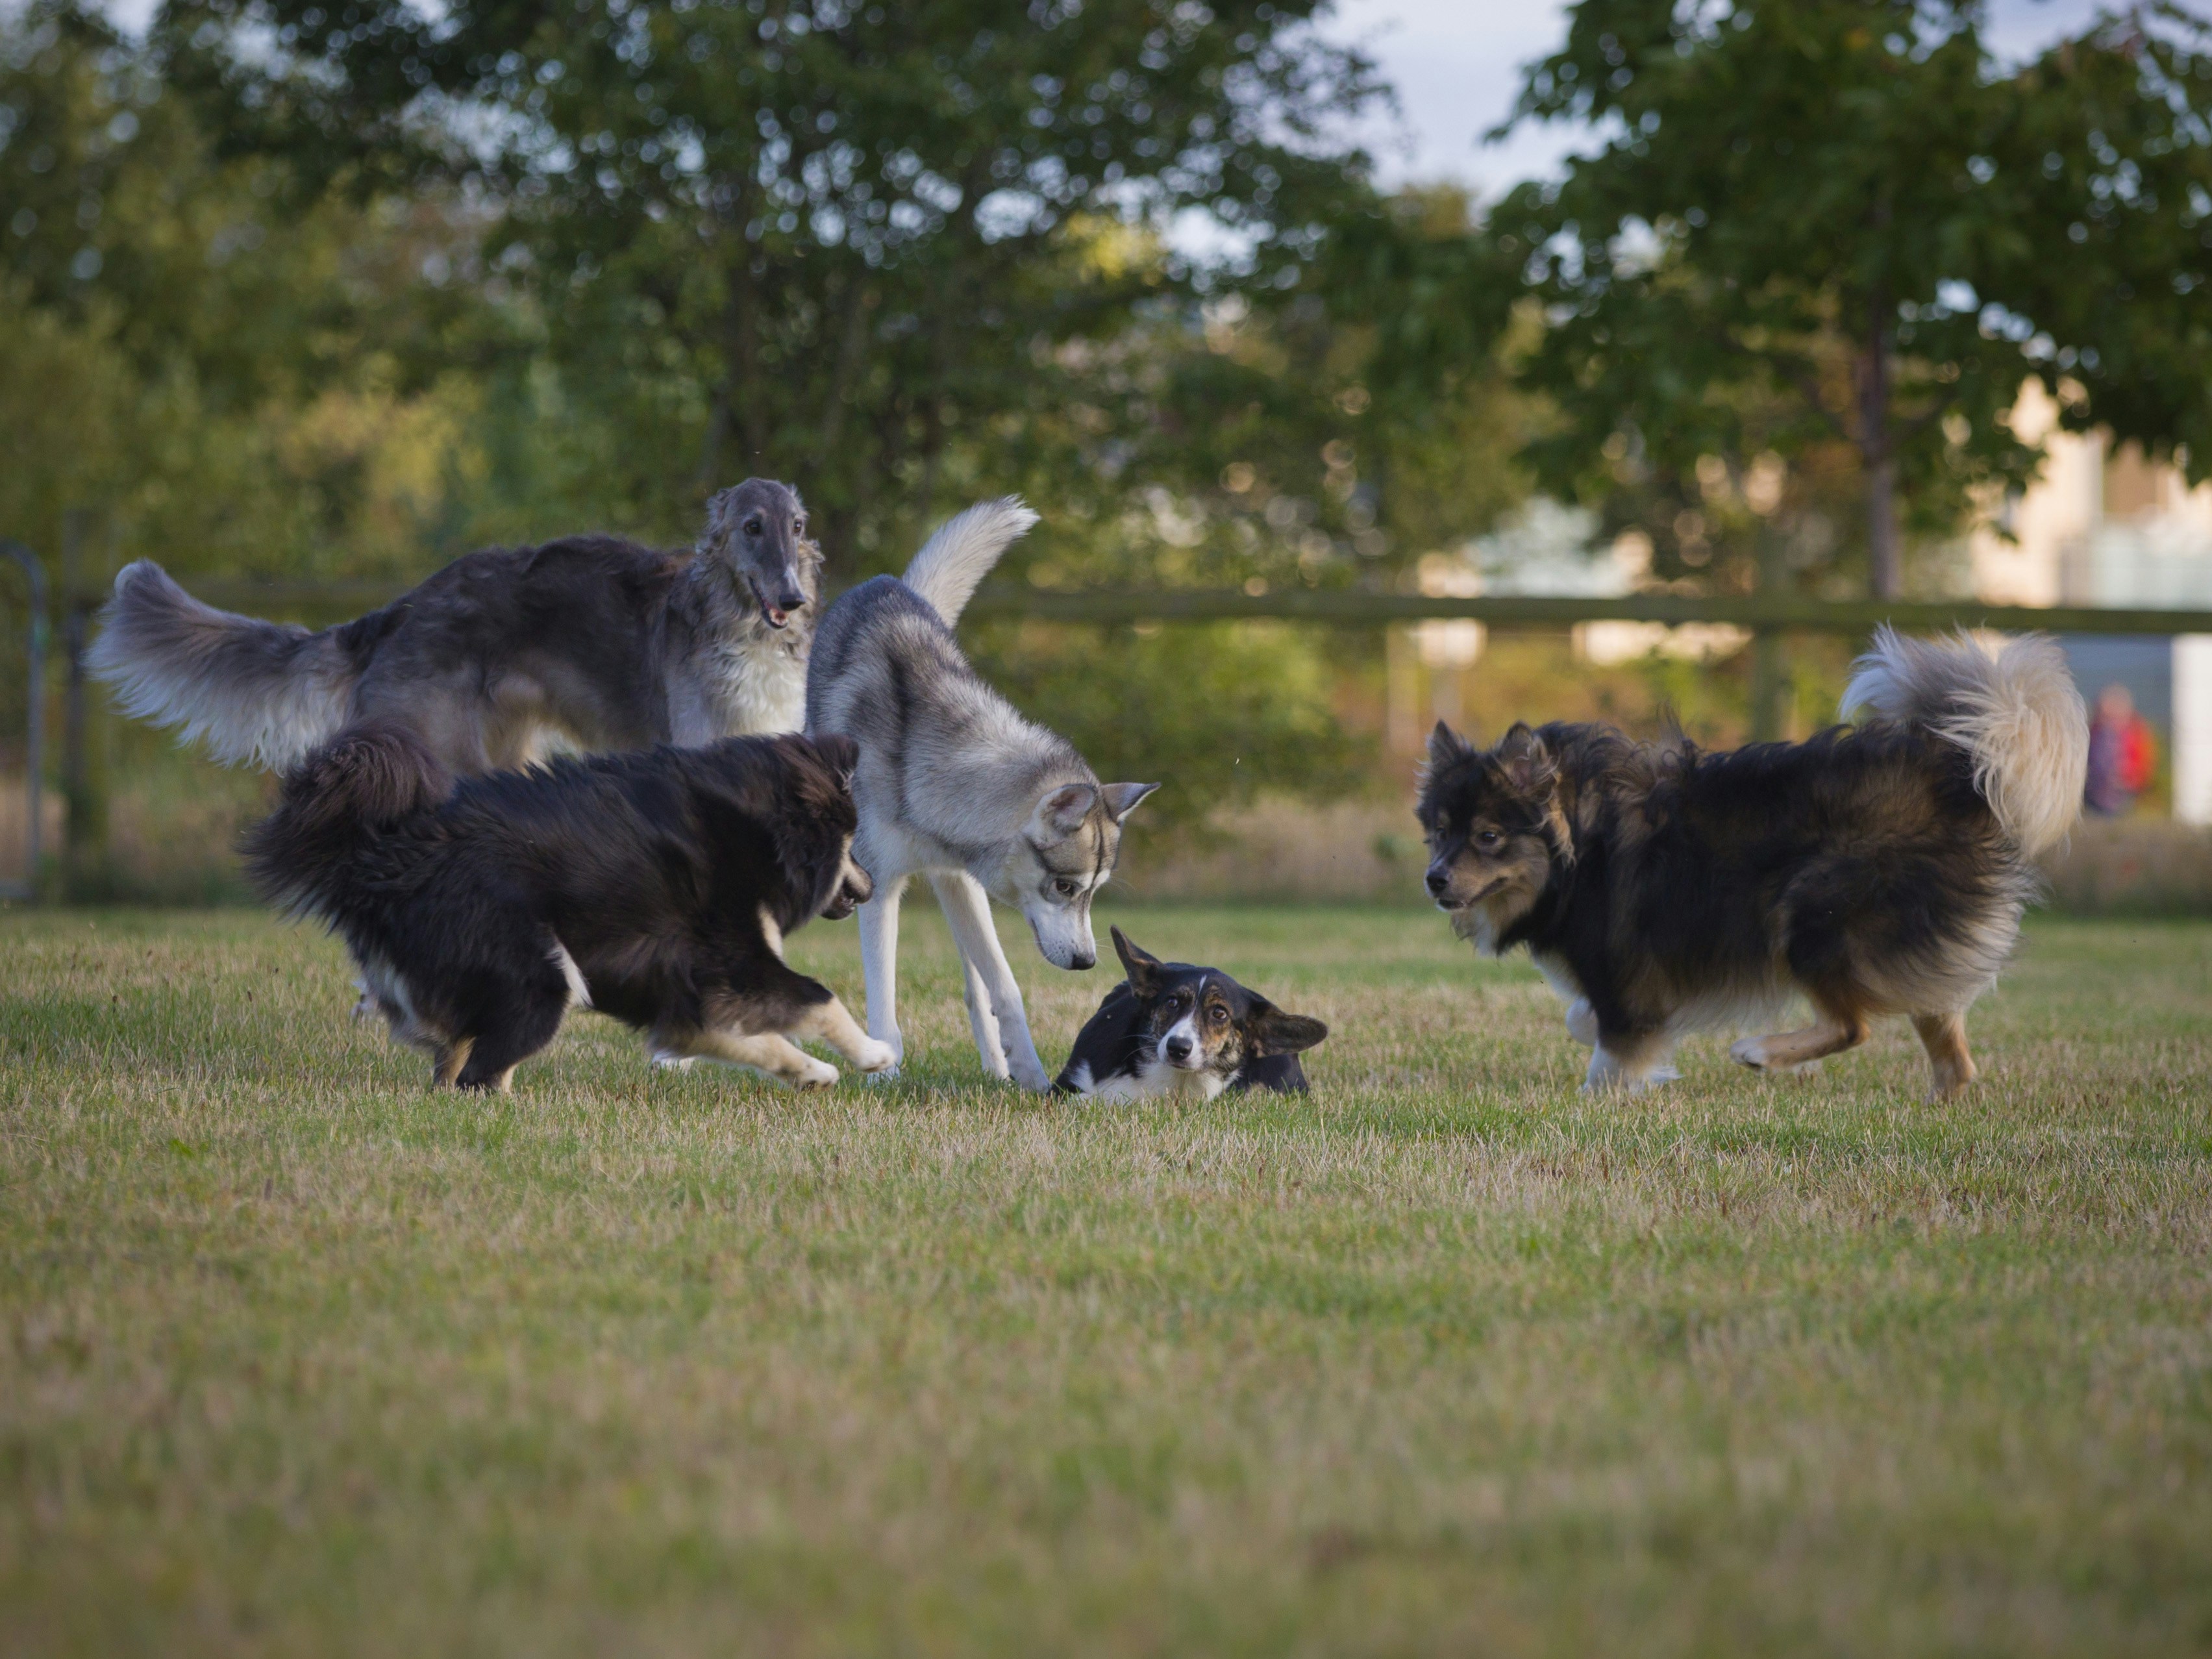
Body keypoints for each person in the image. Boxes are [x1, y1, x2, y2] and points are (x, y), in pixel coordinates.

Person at [2085, 683, 2157, 816]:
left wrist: (2130, 778)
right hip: (2094, 792)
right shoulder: (2094, 732)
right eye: (2104, 716)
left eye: (2113, 716)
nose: (2109, 722)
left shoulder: (2136, 732)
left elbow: (2144, 763)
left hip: (2125, 792)